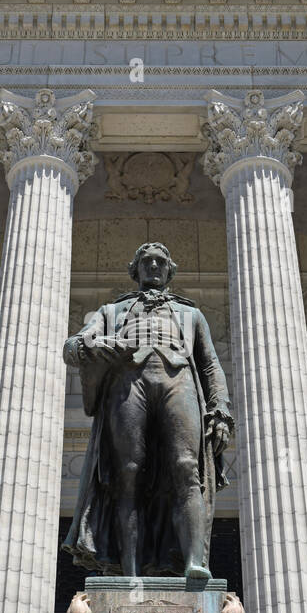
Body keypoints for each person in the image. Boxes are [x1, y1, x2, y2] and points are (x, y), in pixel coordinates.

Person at [62, 243, 233, 582]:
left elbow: (209, 363)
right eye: (146, 262)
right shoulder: (113, 311)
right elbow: (74, 347)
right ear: (135, 269)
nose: (153, 267)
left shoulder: (191, 314)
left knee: (187, 467)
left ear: (170, 270)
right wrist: (87, 346)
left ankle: (194, 563)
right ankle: (130, 572)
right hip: (129, 383)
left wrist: (220, 410)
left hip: (178, 379)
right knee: (129, 473)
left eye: (160, 262)